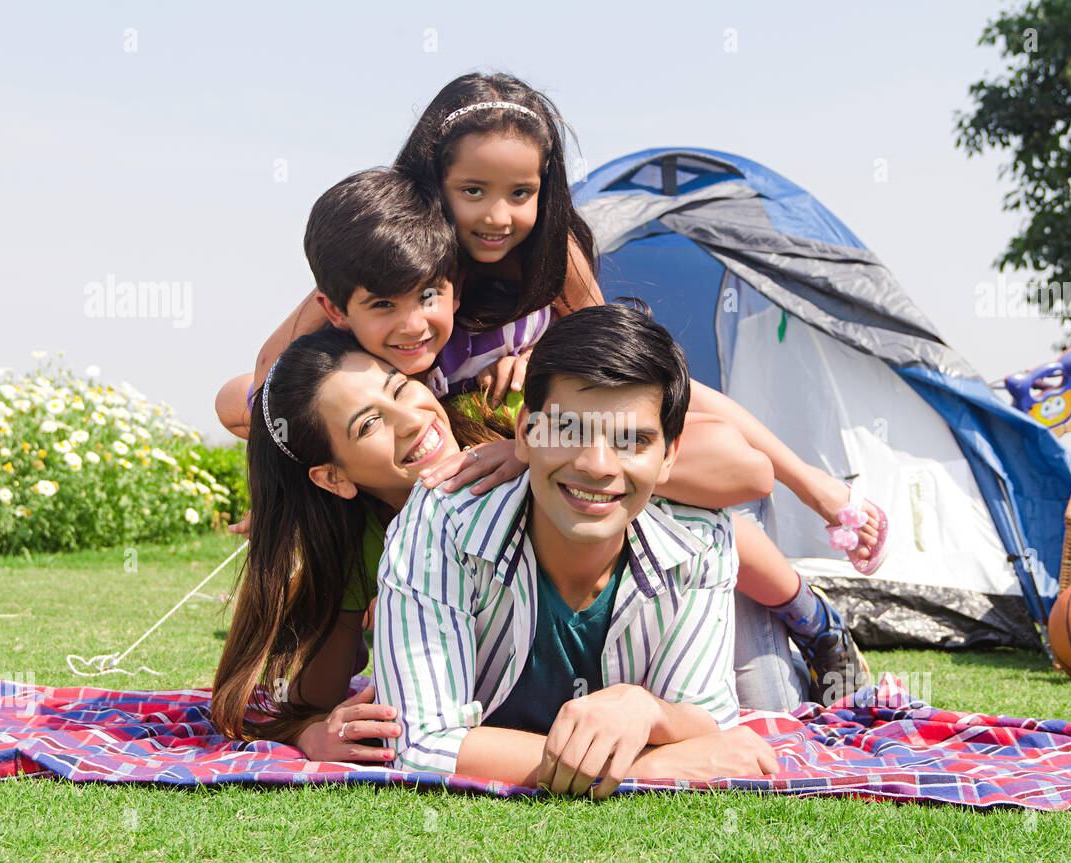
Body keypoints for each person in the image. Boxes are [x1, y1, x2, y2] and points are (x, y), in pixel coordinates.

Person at [214, 72, 887, 573]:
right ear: (431, 184)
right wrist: (277, 485)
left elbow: (628, 371)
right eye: (471, 191)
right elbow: (271, 380)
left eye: (521, 193)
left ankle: (815, 490)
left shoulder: (551, 255)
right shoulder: (388, 274)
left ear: (547, 188)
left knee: (682, 420)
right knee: (238, 401)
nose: (496, 216)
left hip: (529, 422)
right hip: (433, 438)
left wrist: (541, 357)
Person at [371, 302, 810, 798]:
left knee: (784, 705)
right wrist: (654, 768)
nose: (597, 464)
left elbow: (705, 718)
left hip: (756, 617)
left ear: (669, 456)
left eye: (632, 441)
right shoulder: (443, 519)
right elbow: (423, 744)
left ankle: (816, 629)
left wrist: (644, 708)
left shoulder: (700, 537)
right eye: (567, 429)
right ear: (525, 434)